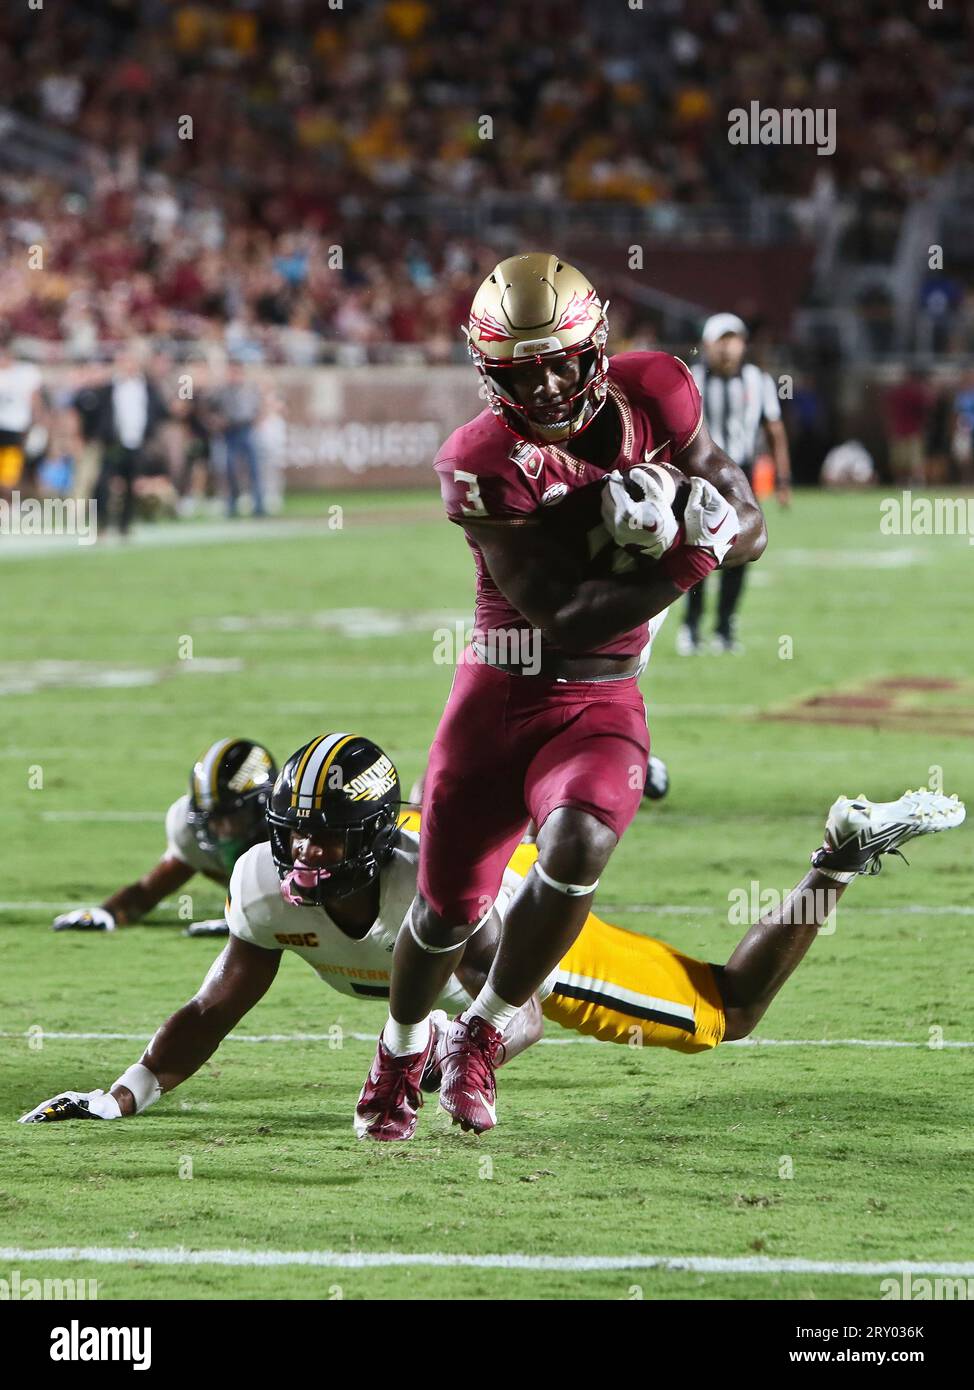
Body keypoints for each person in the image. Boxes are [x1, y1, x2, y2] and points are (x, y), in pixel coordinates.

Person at [20, 733, 964, 1129]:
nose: (303, 852)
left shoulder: (423, 887)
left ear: (372, 837)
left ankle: (836, 857)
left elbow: (517, 1007)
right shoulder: (264, 886)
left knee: (729, 1010)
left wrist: (442, 1050)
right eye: (294, 830)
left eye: (326, 834)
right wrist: (122, 1096)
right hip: (466, 894)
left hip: (516, 925)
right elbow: (213, 1006)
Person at [356, 253, 768, 1141]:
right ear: (486, 372)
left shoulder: (657, 392)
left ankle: (483, 1030)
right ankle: (397, 1047)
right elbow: (564, 617)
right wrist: (686, 557)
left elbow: (753, 524)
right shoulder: (479, 459)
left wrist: (710, 523)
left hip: (604, 699)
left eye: (556, 360)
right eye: (518, 368)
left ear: (595, 348)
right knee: (446, 910)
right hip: (503, 693)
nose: (542, 383)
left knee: (579, 842)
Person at [51, 738, 276, 938]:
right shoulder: (189, 830)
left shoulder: (296, 833)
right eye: (212, 819)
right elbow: (148, 892)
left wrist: (244, 923)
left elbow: (306, 902)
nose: (221, 830)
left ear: (261, 807)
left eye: (232, 816)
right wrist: (107, 912)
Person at [678, 314, 791, 656]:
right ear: (708, 344)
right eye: (722, 340)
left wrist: (783, 479)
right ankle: (692, 625)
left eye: (735, 340)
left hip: (741, 476)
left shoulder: (758, 380)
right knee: (696, 552)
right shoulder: (692, 380)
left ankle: (725, 626)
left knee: (739, 552)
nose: (728, 348)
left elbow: (774, 430)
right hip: (699, 476)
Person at [92, 346, 168, 535]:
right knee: (102, 483)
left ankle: (125, 525)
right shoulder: (108, 388)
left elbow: (161, 412)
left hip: (136, 443)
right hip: (114, 443)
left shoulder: (148, 388)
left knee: (132, 485)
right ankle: (102, 523)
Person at [0, 330, 44, 501]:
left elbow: (35, 401)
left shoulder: (26, 373)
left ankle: (9, 505)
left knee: (9, 476)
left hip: (15, 427)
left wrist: (38, 423)